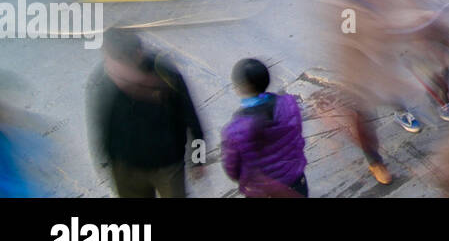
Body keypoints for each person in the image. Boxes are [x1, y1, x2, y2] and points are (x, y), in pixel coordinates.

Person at [86, 28, 206, 198]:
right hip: (127, 170)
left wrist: (198, 159)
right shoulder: (104, 80)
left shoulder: (165, 74)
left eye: (118, 61)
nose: (112, 67)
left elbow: (191, 116)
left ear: (138, 54)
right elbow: (101, 125)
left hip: (168, 166)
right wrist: (107, 163)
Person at [220, 58, 308, 197]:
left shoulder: (235, 130)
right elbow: (297, 139)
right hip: (296, 183)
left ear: (238, 87)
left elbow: (232, 169)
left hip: (264, 192)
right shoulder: (289, 104)